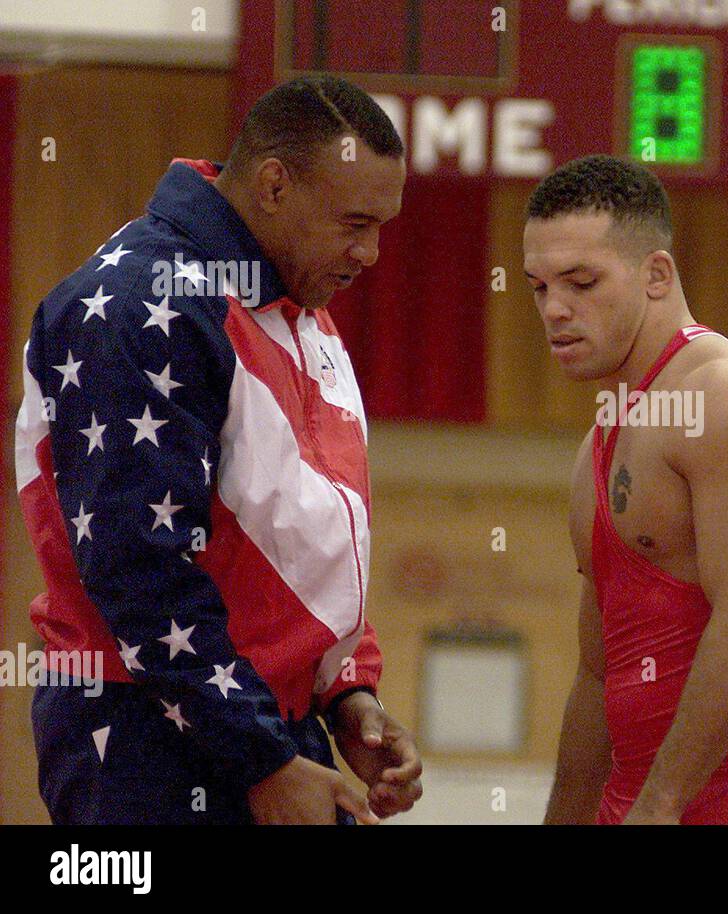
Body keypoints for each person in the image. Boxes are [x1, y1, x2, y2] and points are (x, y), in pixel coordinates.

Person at [16, 76, 423, 824]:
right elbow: (139, 568)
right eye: (355, 222)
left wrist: (347, 693)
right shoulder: (146, 302)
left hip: (260, 724)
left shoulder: (297, 301)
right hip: (149, 737)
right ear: (274, 185)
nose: (371, 252)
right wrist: (260, 758)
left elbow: (295, 535)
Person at [525, 155, 728, 824]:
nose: (556, 309)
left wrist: (661, 804)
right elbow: (596, 673)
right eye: (538, 287)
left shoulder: (721, 391)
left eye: (581, 282)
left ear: (657, 274)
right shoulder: (599, 443)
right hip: (645, 800)